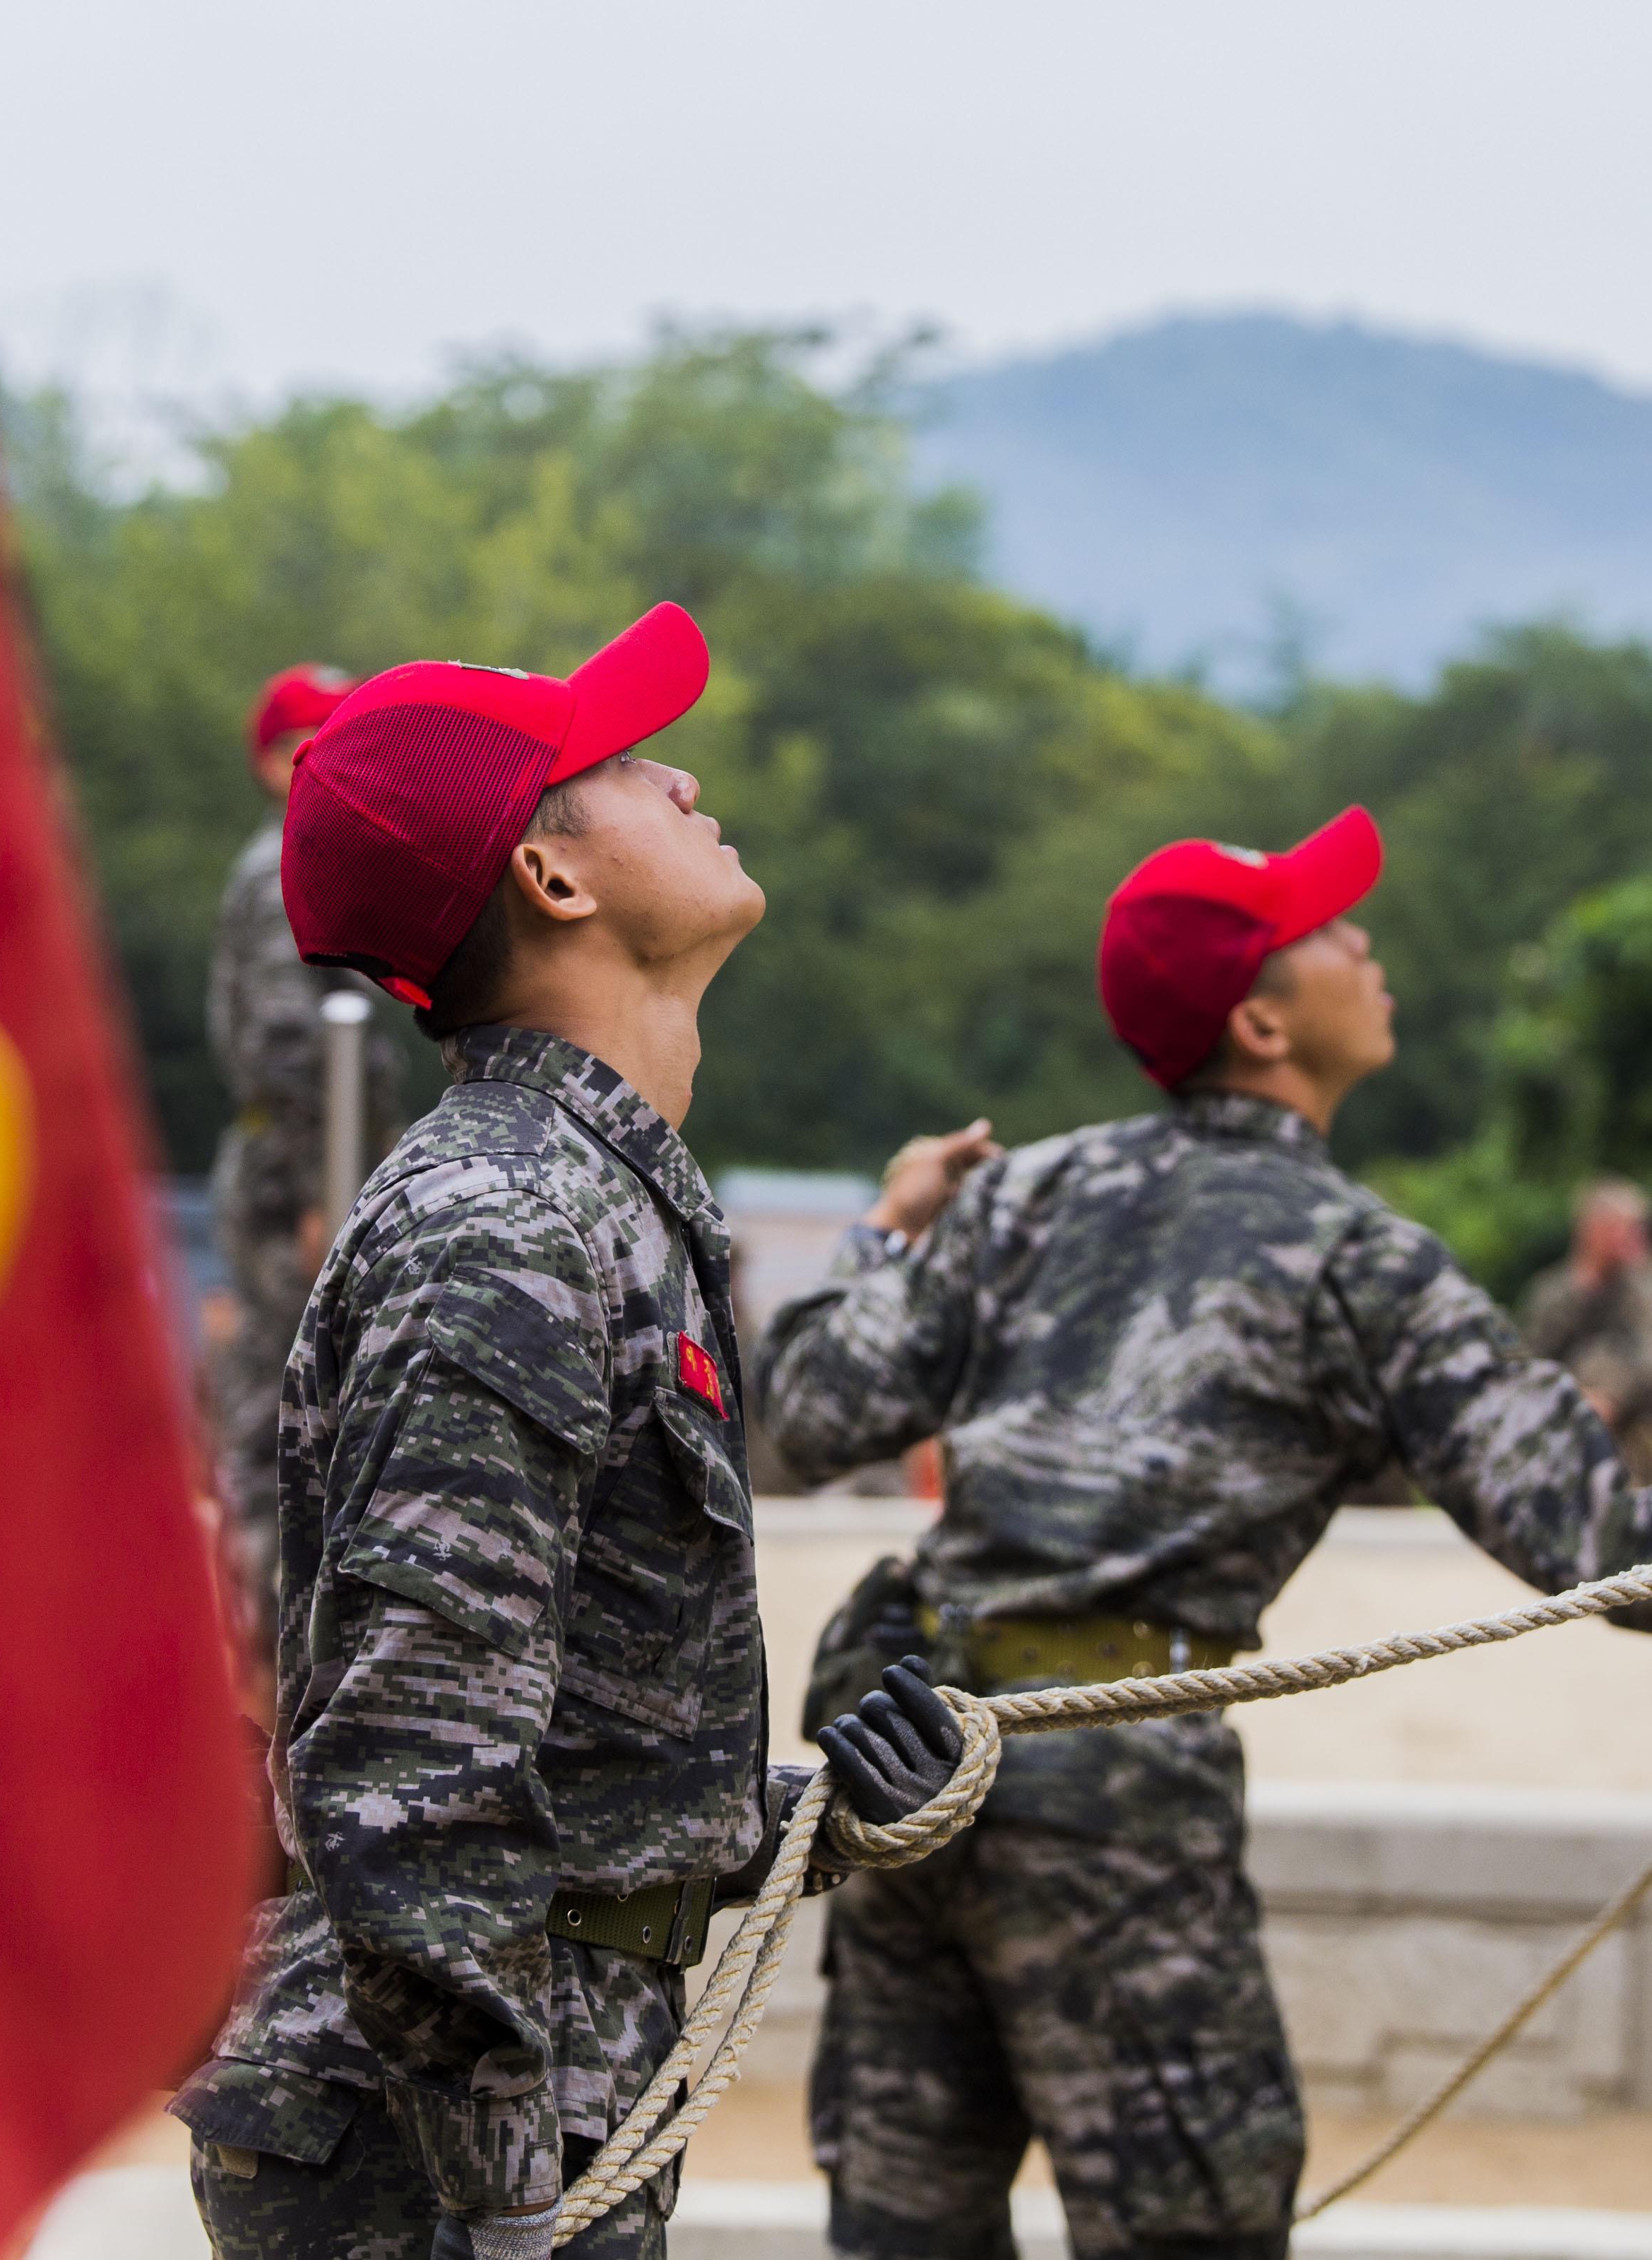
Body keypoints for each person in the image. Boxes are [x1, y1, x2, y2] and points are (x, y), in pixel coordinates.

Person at [762, 808, 1652, 2260]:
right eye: (1329, 931)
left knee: (903, 2237)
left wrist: (885, 1232)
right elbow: (1596, 1530)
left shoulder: (1025, 1196)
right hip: (1107, 1784)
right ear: (1262, 1022)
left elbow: (809, 1411)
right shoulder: (1359, 1261)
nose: (1366, 945)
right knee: (1195, 2233)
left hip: (908, 1751)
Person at [172, 604, 964, 2260]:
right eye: (619, 763)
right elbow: (414, 1761)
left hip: (515, 2089)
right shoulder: (506, 1222)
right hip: (430, 2148)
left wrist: (802, 1809)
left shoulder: (591, 1200)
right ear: (554, 878)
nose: (681, 772)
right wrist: (509, 2194)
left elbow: (543, 1756)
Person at [206, 662, 411, 1649]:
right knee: (287, 1402)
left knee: (291, 1395)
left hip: (315, 1163)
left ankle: (274, 1629)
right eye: (308, 746)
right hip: (299, 1175)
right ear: (269, 762)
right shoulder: (281, 866)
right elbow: (291, 1049)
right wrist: (319, 1189)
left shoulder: (313, 858)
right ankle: (259, 1643)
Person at [1517, 1176, 1652, 1494]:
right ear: (1595, 1230)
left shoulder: (1644, 1295)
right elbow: (1529, 1366)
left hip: (1632, 1428)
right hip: (1564, 1420)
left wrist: (1611, 1396)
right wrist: (1576, 1397)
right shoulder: (1552, 1294)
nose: (1637, 1240)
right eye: (1627, 1229)